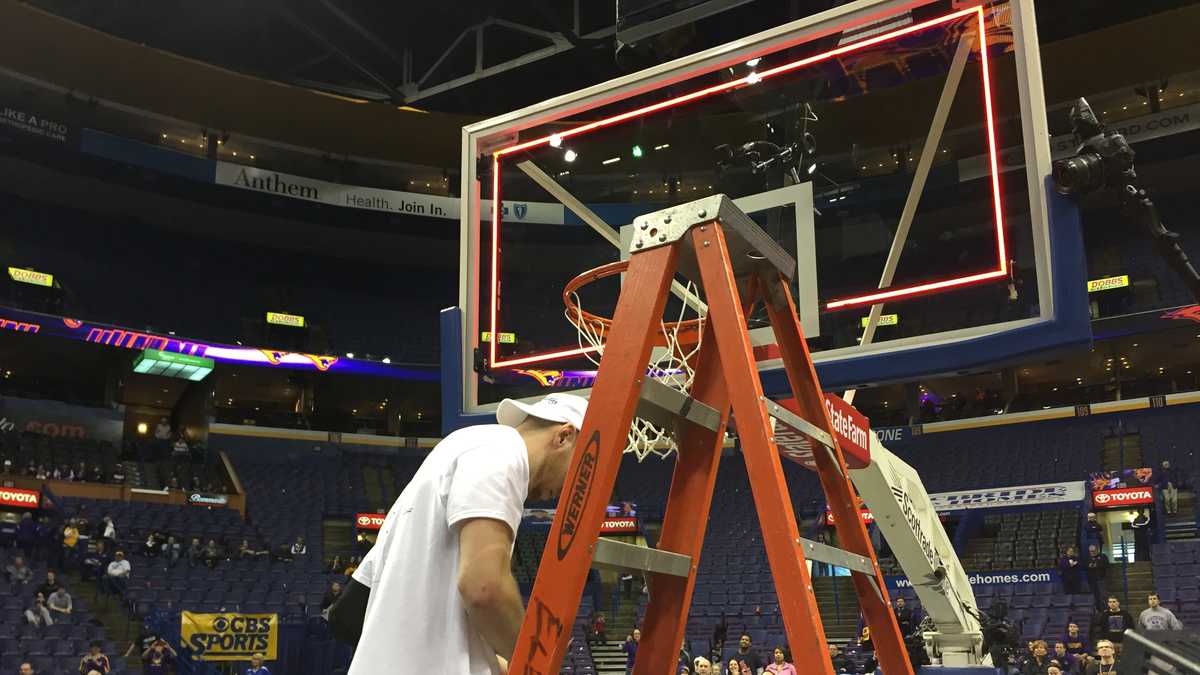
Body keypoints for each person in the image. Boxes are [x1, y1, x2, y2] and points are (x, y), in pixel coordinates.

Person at [344, 392, 588, 674]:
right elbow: (484, 589)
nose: (568, 489)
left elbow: (348, 611)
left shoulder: (457, 449)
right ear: (563, 437)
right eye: (580, 468)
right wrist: (538, 663)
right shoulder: (502, 453)